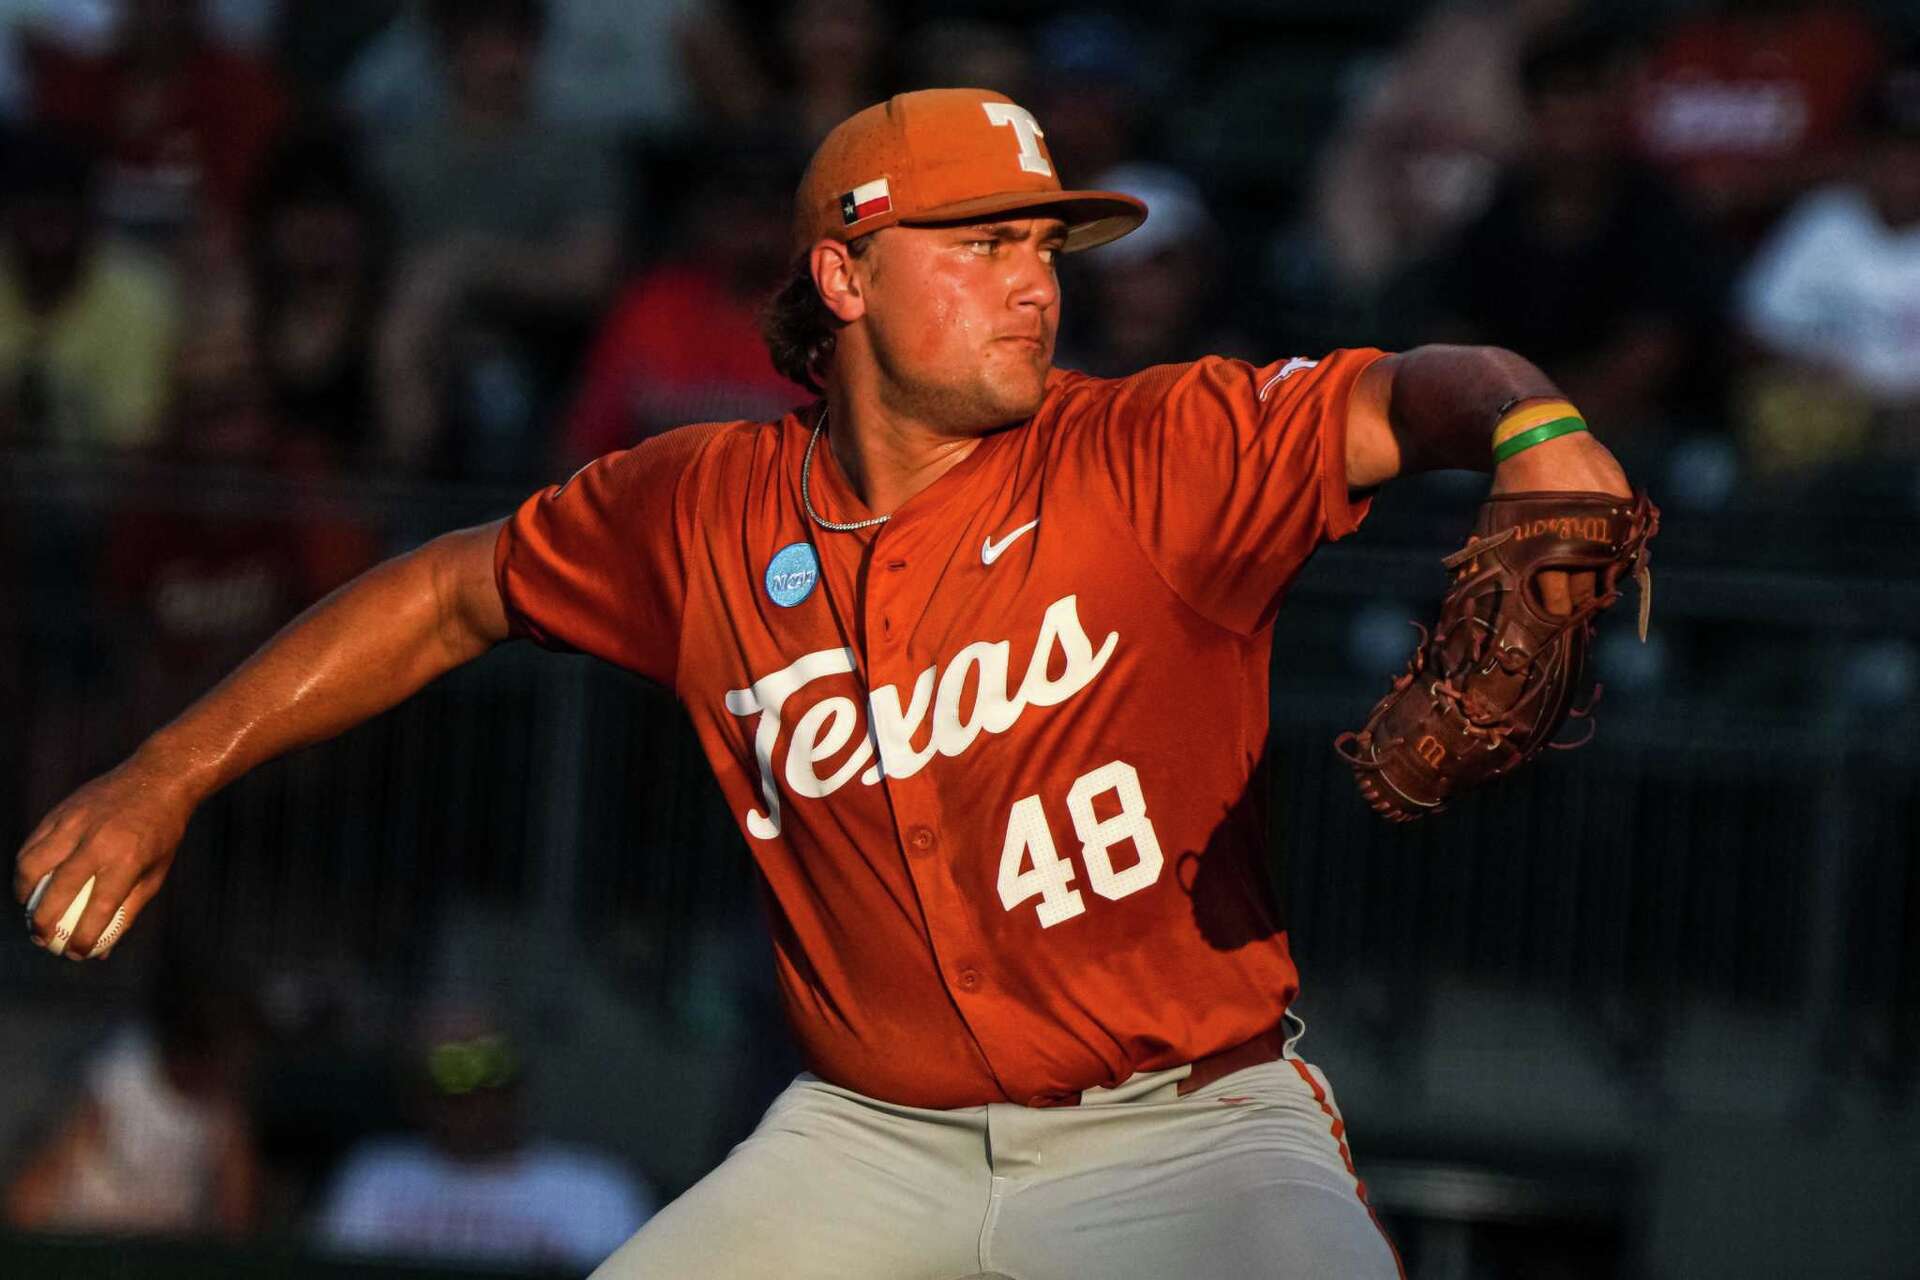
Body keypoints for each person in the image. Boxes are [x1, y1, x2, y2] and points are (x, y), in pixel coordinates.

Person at [18, 89, 1639, 1277]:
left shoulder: (1155, 450)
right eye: (985, 242)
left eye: (1046, 245)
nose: (1036, 281)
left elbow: (1413, 391)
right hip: (867, 1139)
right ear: (847, 277)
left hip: (1192, 1133)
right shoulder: (700, 510)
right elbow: (450, 590)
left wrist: (1535, 425)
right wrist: (168, 772)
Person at [314, 998, 654, 1269]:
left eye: (493, 1065)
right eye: (449, 1070)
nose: (476, 1091)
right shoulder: (375, 1180)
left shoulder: (598, 1193)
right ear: (414, 1093)